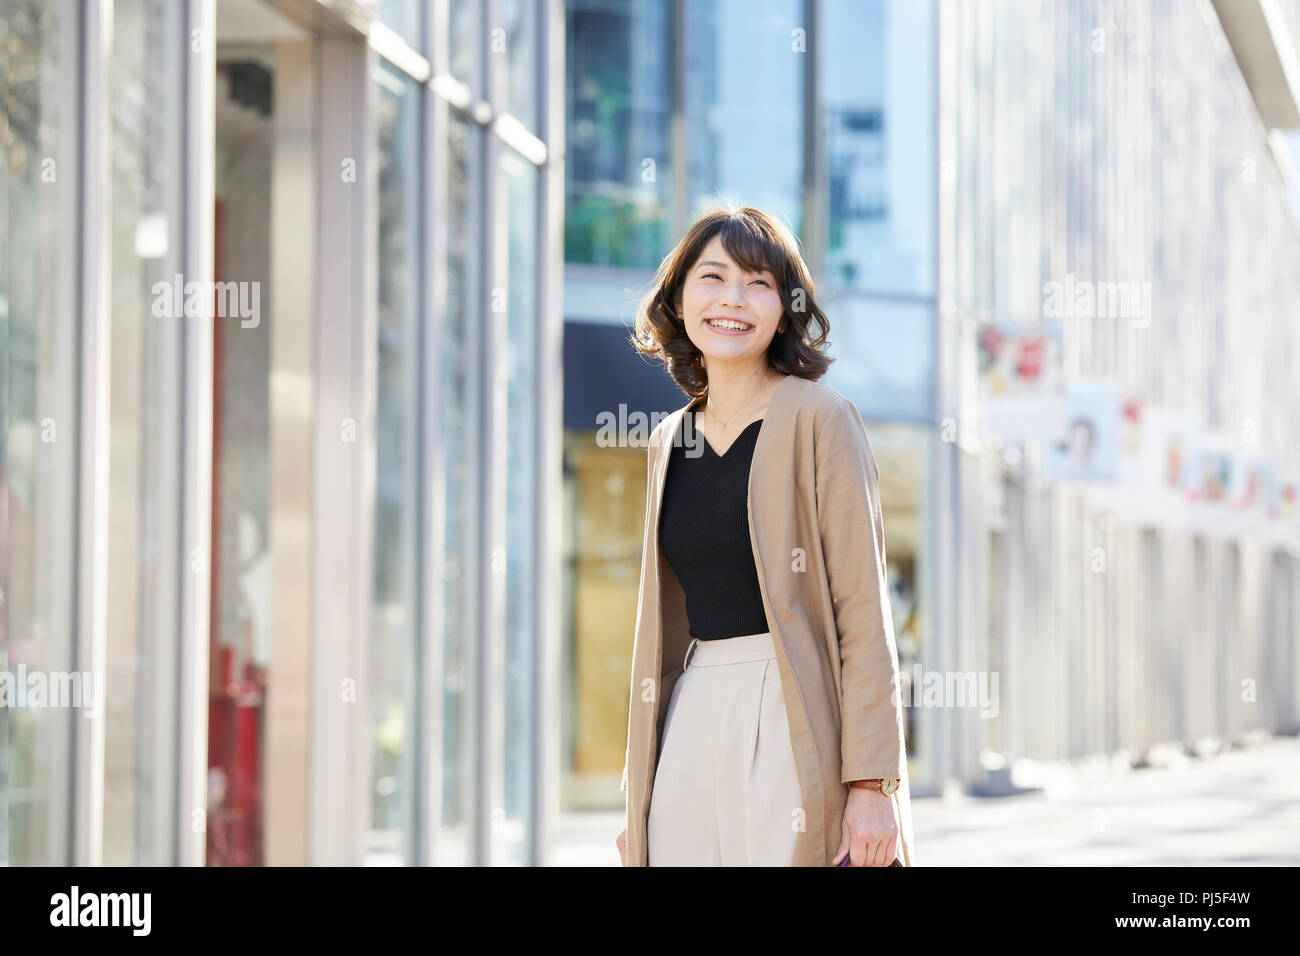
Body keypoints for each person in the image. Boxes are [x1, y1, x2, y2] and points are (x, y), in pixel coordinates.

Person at [614, 202, 915, 867]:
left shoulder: (821, 418)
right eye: (713, 278)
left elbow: (864, 614)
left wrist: (872, 782)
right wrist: (639, 794)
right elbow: (656, 637)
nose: (733, 299)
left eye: (759, 282)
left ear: (785, 306)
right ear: (680, 298)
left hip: (794, 717)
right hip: (692, 720)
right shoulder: (669, 441)